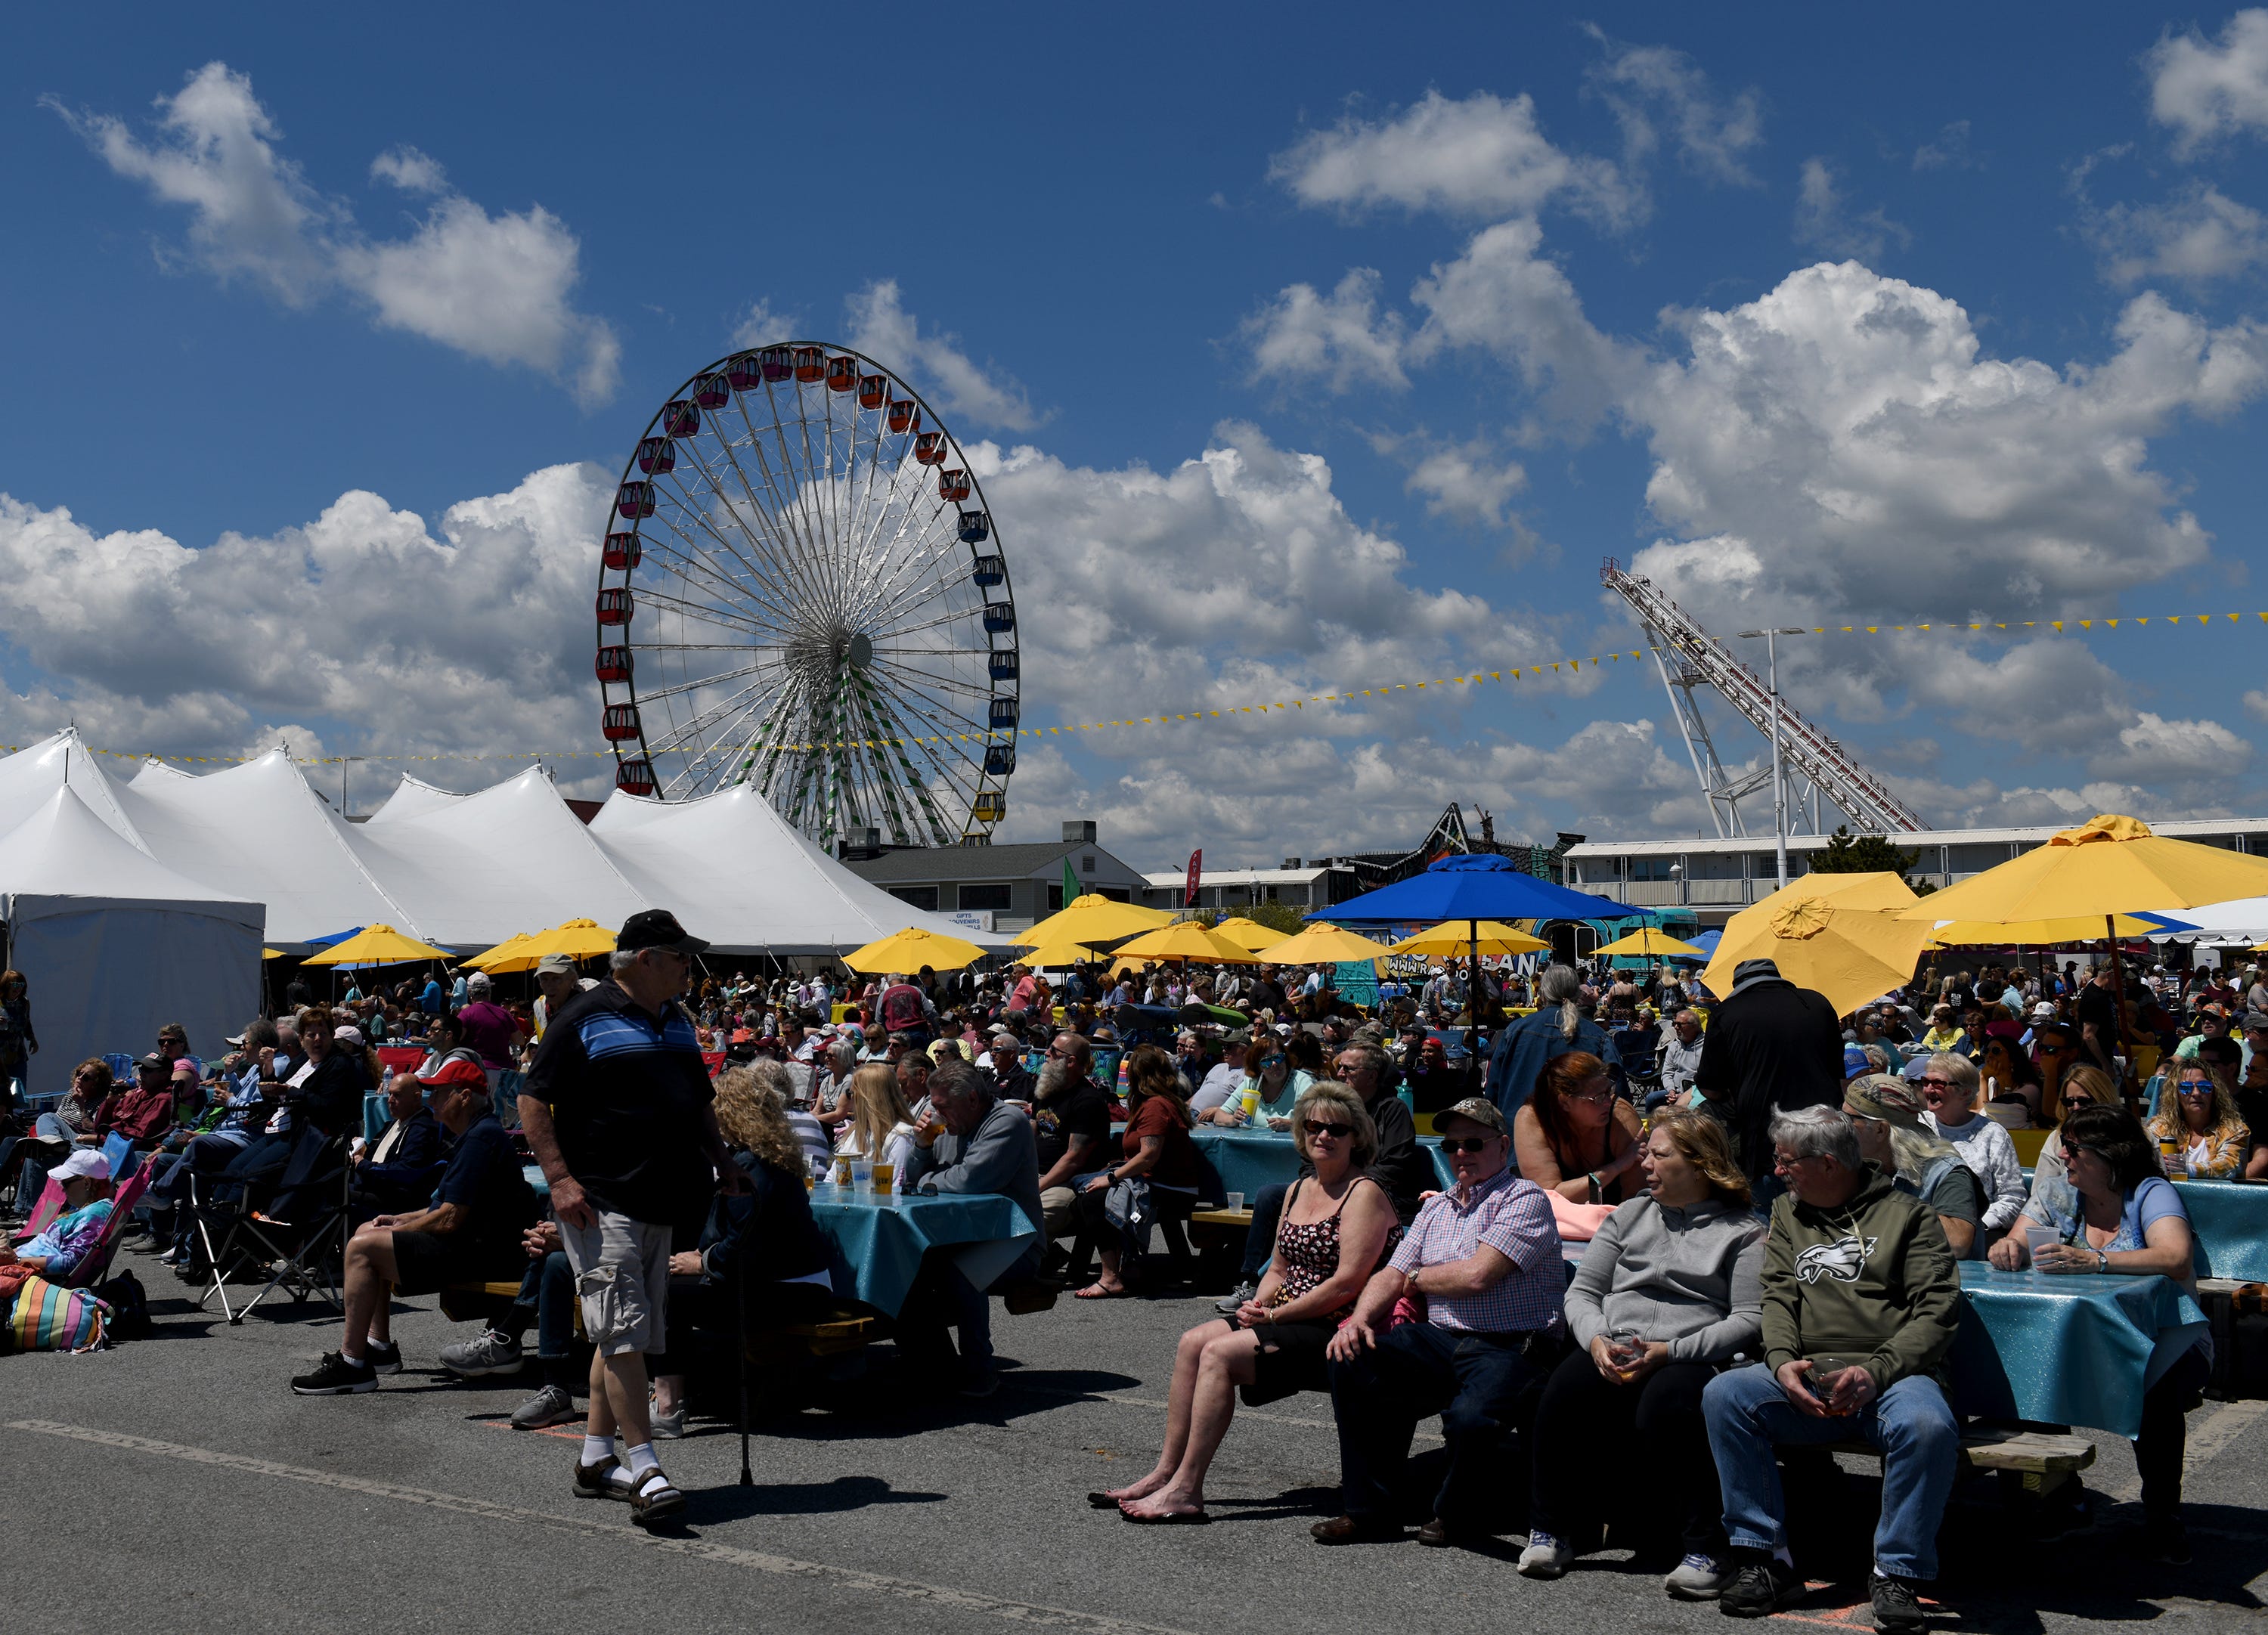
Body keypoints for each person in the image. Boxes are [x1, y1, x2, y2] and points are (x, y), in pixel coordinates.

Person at [519, 910, 744, 1527]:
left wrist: (722, 1159)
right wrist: (561, 1179)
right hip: (603, 1199)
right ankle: (645, 1466)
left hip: (662, 1198)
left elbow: (698, 1099)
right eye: (681, 958)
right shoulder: (583, 1018)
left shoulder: (675, 1021)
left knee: (627, 1334)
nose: (690, 969)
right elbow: (532, 1096)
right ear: (646, 959)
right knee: (622, 1333)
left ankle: (596, 1457)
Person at [1701, 1107, 1960, 1627]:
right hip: (1808, 1374)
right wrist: (1781, 1365)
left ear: (1826, 1163)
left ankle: (1897, 1572)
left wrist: (1876, 1370)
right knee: (1726, 1394)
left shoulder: (1909, 1215)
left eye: (1787, 1160)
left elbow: (1938, 1311)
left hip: (1891, 1376)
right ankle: (1766, 1558)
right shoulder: (1787, 1212)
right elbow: (1776, 1298)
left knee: (1928, 1424)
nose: (1778, 1170)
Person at [1095, 1082, 1398, 1522]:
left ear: (1358, 1137)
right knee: (1191, 1343)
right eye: (1313, 1125)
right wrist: (1257, 1305)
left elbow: (1346, 1284)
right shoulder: (1297, 1191)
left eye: (1338, 1128)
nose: (1324, 1136)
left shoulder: (1363, 1192)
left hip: (1341, 1328)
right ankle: (1164, 1472)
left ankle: (1187, 1489)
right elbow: (1276, 1268)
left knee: (1219, 1354)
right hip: (1290, 1314)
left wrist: (1272, 1315)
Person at [1521, 1109, 1765, 1597]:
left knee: (1670, 1407)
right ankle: (1552, 1529)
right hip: (1616, 1343)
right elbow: (1584, 1292)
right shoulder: (1630, 1214)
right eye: (1647, 1151)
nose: (1645, 1161)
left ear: (1700, 1164)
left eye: (1659, 1153)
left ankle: (1707, 1548)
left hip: (1690, 1353)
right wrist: (1595, 1340)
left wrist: (1671, 1350)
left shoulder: (1745, 1231)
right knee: (1562, 1392)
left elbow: (1747, 1317)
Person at [1315, 1097, 1564, 1547]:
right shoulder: (1437, 1207)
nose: (1461, 1154)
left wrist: (1415, 1279)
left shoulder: (1524, 1199)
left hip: (1511, 1345)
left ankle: (1455, 1512)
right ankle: (1371, 1512)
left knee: (1470, 1419)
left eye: (1473, 1143)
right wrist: (1358, 1321)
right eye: (1451, 1146)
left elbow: (1478, 1276)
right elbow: (1391, 1275)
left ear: (1503, 1147)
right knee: (1353, 1358)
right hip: (1442, 1338)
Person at [1988, 1104, 2211, 1561]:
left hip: (2163, 1336)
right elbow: (2017, 1237)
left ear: (2110, 1155)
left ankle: (2163, 1513)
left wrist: (2097, 1260)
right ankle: (2059, 1496)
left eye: (2073, 1149)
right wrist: (2006, 1247)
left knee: (2157, 1391)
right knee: (2026, 1372)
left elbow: (2175, 1257)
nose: (2063, 1156)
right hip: (2075, 1338)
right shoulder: (2057, 1191)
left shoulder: (2150, 1192)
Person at [291, 1058, 538, 1393]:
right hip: (475, 1243)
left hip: (483, 1253)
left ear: (464, 1097)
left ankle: (353, 1364)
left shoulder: (481, 1139)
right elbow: (444, 1205)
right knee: (367, 1231)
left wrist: (398, 1231)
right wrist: (401, 1219)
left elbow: (451, 1218)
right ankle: (378, 1348)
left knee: (364, 1246)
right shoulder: (476, 1134)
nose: (430, 1100)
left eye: (438, 1093)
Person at [1213, 1042, 1430, 1315]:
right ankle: (1251, 1280)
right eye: (1339, 1067)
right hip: (1326, 1188)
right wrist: (1319, 1183)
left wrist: (1348, 1185)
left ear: (1372, 1076)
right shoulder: (1329, 1108)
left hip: (1376, 1196)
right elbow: (1308, 1163)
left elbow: (1395, 1166)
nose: (1339, 1073)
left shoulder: (1392, 1110)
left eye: (1348, 1069)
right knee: (1271, 1194)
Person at [901, 1058, 1043, 1395]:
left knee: (962, 1273)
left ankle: (980, 1370)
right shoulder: (951, 1126)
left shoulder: (1006, 1122)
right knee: (903, 1263)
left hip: (1014, 1240)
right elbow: (912, 1178)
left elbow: (970, 1180)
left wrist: (929, 1181)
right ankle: (934, 1363)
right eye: (934, 1106)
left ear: (973, 1101)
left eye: (943, 1107)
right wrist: (922, 1145)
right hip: (958, 1235)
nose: (937, 1114)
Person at [1693, 960, 1844, 1203]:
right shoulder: (1818, 1003)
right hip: (1827, 1133)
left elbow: (1710, 1088)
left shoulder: (1727, 1013)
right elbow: (1840, 1072)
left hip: (1767, 1140)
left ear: (1738, 985)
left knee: (1775, 1218)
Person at [1072, 1045, 1201, 1299]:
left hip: (1172, 1190)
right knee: (1081, 1184)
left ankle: (1110, 1277)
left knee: (1094, 1199)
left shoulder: (1156, 1106)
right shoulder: (1151, 1103)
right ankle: (1127, 1265)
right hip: (1155, 1182)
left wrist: (1111, 1177)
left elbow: (1148, 1155)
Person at [1842, 1074, 1986, 1259]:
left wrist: (1882, 1199)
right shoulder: (1852, 1165)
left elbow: (1958, 1243)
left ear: (1880, 1130)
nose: (1841, 1128)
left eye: (1849, 1120)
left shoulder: (1946, 1172)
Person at [1486, 964, 1620, 1123]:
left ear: (1543, 994)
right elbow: (1619, 1096)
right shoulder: (1597, 1036)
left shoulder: (1515, 1031)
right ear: (1578, 993)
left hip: (1518, 1136)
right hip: (1581, 1138)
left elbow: (1493, 1091)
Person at [1917, 1053, 2025, 1243]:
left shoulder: (1993, 1134)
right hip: (1917, 1234)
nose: (1928, 1089)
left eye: (1938, 1084)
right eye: (1926, 1081)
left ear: (1965, 1092)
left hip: (1975, 1237)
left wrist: (1970, 1226)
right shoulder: (1916, 1126)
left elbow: (2013, 1198)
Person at [1515, 1050, 1646, 1205]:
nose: (1608, 1102)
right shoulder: (1533, 1118)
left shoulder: (1621, 1117)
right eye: (1597, 1098)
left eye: (1608, 1091)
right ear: (1565, 1102)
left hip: (1616, 1218)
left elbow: (1637, 1200)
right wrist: (1616, 1167)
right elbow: (1550, 1198)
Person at [1, 1147, 115, 1284]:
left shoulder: (95, 1215)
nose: (61, 1187)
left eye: (65, 1183)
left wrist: (17, 1260)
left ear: (87, 1183)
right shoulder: (93, 1210)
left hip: (26, 1273)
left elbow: (71, 1262)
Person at [1030, 1052, 1111, 1245]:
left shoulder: (1087, 1100)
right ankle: (1047, 1259)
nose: (1047, 1054)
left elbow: (1074, 1159)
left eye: (1054, 1052)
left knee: (1032, 1218)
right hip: (1033, 1173)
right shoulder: (1045, 1092)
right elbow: (1031, 1134)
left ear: (1071, 1061)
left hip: (1069, 1181)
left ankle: (1021, 1270)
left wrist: (1037, 1188)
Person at [354, 1070, 446, 1214]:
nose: (390, 1100)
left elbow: (406, 1170)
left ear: (417, 1098)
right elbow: (375, 1152)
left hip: (394, 1198)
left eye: (397, 1095)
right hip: (374, 1184)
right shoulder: (395, 1122)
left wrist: (364, 1165)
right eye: (390, 1094)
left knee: (335, 1194)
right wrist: (362, 1149)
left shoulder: (422, 1129)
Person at [2146, 1057, 2249, 1178]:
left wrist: (2188, 1169)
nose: (2196, 1093)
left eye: (2204, 1086)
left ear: (2214, 1092)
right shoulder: (2159, 1128)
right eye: (2186, 1087)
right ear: (2175, 1094)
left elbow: (2229, 1167)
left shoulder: (2235, 1130)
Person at [834, 1062, 919, 1188]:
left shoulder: (902, 1137)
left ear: (867, 1098)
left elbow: (896, 1192)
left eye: (851, 1094)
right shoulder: (855, 1132)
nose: (850, 1099)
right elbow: (831, 1180)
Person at [1205, 1035, 1309, 1129]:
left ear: (1285, 1058)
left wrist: (1292, 1124)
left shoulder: (1302, 1082)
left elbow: (1319, 1121)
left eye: (1278, 1058)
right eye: (1266, 1061)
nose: (1274, 1064)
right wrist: (1234, 1119)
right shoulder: (1251, 1083)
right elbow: (1219, 1116)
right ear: (1258, 1066)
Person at [1404, 1032, 1477, 1114]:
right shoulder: (1424, 1071)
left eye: (1430, 1051)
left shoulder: (1447, 1073)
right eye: (1423, 1051)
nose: (1425, 1055)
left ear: (1440, 1053)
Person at [0, 968, 37, 1119]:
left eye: (21, 985)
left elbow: (27, 1023)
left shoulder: (24, 1003)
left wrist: (32, 1039)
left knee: (18, 1091)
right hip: (0, 1056)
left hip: (18, 1055)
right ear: (6, 986)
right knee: (2, 1091)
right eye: (14, 985)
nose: (17, 989)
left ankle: (15, 1120)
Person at [1189, 1031, 1249, 1114]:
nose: (1224, 1050)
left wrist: (1220, 1110)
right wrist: (1184, 1106)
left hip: (1209, 1121)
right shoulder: (1218, 1067)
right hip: (1189, 1113)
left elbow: (1248, 1106)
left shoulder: (1249, 1075)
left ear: (1245, 1051)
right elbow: (1199, 1093)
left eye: (1229, 1047)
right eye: (1223, 1046)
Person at [1658, 1008, 1705, 1103]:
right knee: (1652, 1098)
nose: (1675, 1027)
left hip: (1697, 1093)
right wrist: (1671, 1090)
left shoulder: (1707, 1047)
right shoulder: (1674, 1046)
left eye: (1679, 1024)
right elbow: (1667, 1072)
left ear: (1694, 1026)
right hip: (1675, 1090)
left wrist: (1684, 1096)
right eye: (1674, 1024)